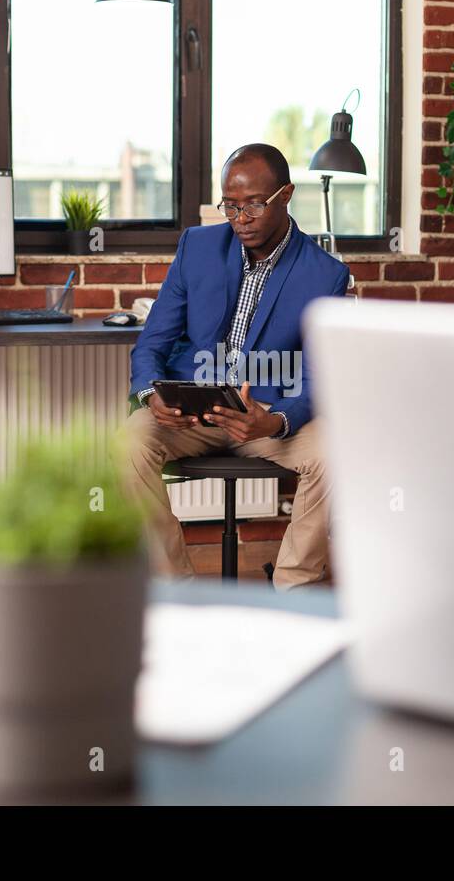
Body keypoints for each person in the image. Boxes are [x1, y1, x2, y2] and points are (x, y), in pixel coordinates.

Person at [119, 143, 350, 590]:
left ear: (285, 195)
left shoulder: (325, 274)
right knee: (128, 443)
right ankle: (176, 590)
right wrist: (152, 395)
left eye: (253, 205)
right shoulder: (198, 247)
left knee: (331, 453)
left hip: (265, 414)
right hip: (191, 411)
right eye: (230, 205)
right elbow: (153, 341)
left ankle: (293, 591)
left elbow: (319, 377)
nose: (240, 218)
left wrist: (276, 421)